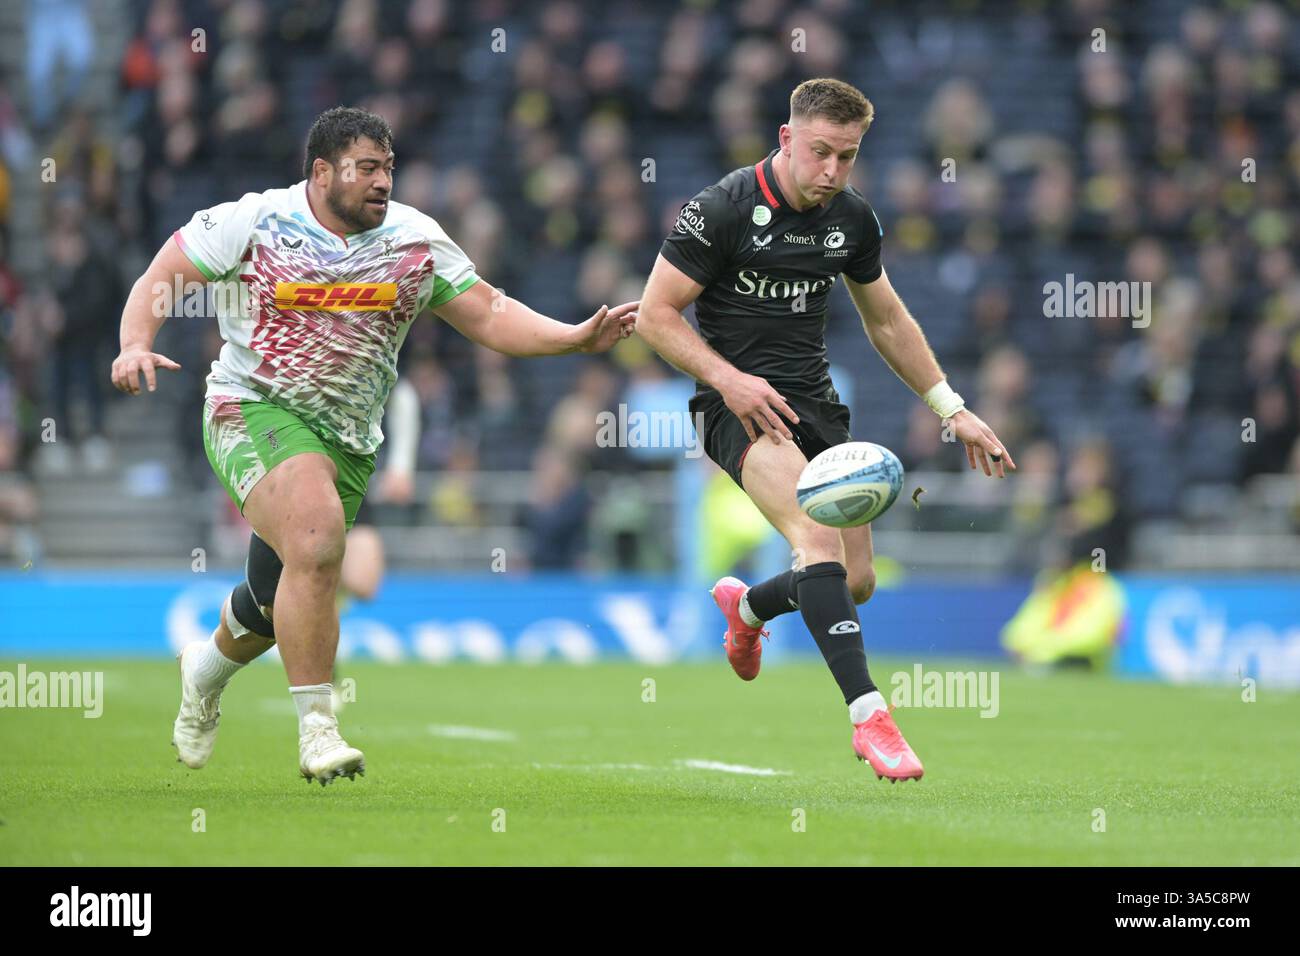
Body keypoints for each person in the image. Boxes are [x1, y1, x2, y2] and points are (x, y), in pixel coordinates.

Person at [111, 107, 636, 785]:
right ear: (323, 171)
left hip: (351, 442)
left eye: (388, 167)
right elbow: (162, 278)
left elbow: (490, 312)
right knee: (318, 535)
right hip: (252, 410)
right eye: (366, 168)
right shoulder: (253, 221)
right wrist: (133, 345)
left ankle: (205, 669)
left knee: (274, 603)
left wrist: (573, 337)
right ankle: (318, 730)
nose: (383, 181)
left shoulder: (416, 241)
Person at [637, 79, 1014, 783]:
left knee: (857, 580)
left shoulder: (851, 219)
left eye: (847, 157)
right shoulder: (718, 210)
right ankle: (871, 717)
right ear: (786, 139)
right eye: (820, 153)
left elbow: (887, 320)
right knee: (815, 543)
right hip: (739, 407)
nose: (832, 172)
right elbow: (655, 316)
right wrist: (727, 380)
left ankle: (748, 605)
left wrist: (949, 407)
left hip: (817, 406)